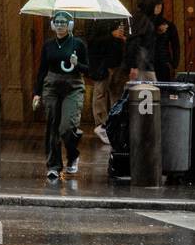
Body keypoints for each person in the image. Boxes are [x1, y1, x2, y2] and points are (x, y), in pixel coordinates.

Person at [33, 10, 87, 180]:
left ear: (70, 25)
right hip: (51, 86)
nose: (60, 25)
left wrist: (77, 64)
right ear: (52, 24)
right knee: (52, 126)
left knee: (67, 127)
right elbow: (42, 70)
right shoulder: (48, 45)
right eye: (57, 22)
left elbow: (88, 69)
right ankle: (53, 166)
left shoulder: (78, 44)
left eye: (64, 22)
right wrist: (37, 93)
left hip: (73, 86)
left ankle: (73, 154)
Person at [86, 19, 127, 144]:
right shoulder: (93, 20)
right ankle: (101, 124)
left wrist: (124, 39)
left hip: (118, 61)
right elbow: (91, 41)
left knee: (117, 94)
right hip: (102, 63)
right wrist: (111, 36)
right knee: (100, 93)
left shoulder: (120, 17)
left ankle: (115, 122)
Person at [125, 0, 162, 82]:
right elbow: (135, 43)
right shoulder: (143, 20)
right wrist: (134, 66)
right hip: (142, 67)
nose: (160, 7)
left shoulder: (141, 18)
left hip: (143, 65)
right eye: (157, 4)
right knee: (147, 93)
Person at [153, 0, 180, 82]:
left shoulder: (168, 25)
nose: (158, 7)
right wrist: (157, 33)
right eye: (156, 5)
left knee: (165, 90)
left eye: (160, 5)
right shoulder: (145, 24)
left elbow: (175, 45)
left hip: (164, 62)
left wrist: (174, 64)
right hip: (148, 63)